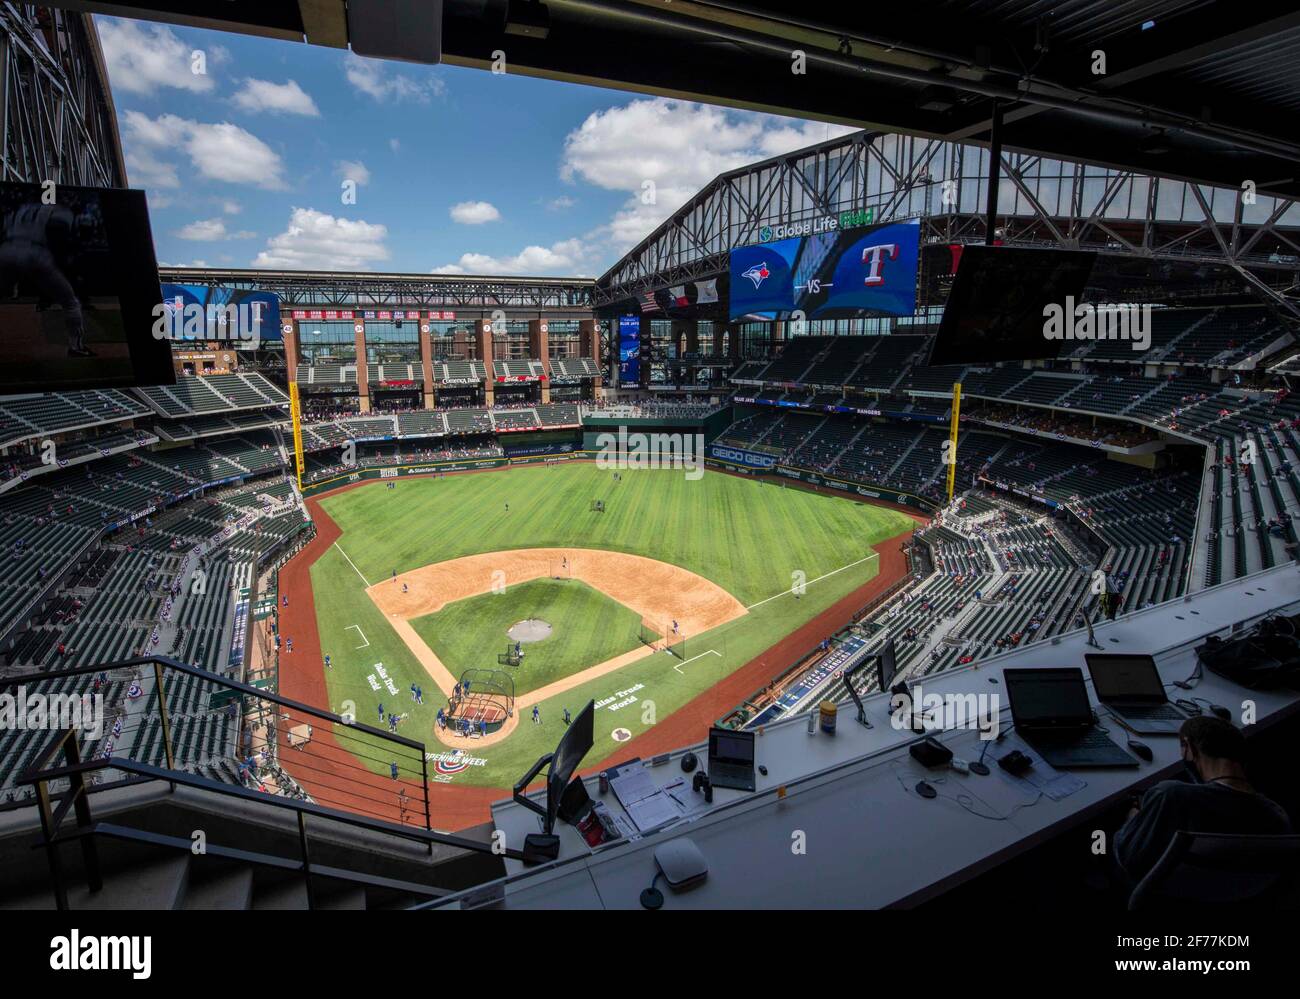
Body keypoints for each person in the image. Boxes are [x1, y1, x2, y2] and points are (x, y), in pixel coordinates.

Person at [1113, 716, 1291, 887]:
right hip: (1240, 896)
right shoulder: (1277, 816)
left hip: (1161, 890)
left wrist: (1134, 817)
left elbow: (1130, 860)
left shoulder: (1171, 794)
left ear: (1189, 748)